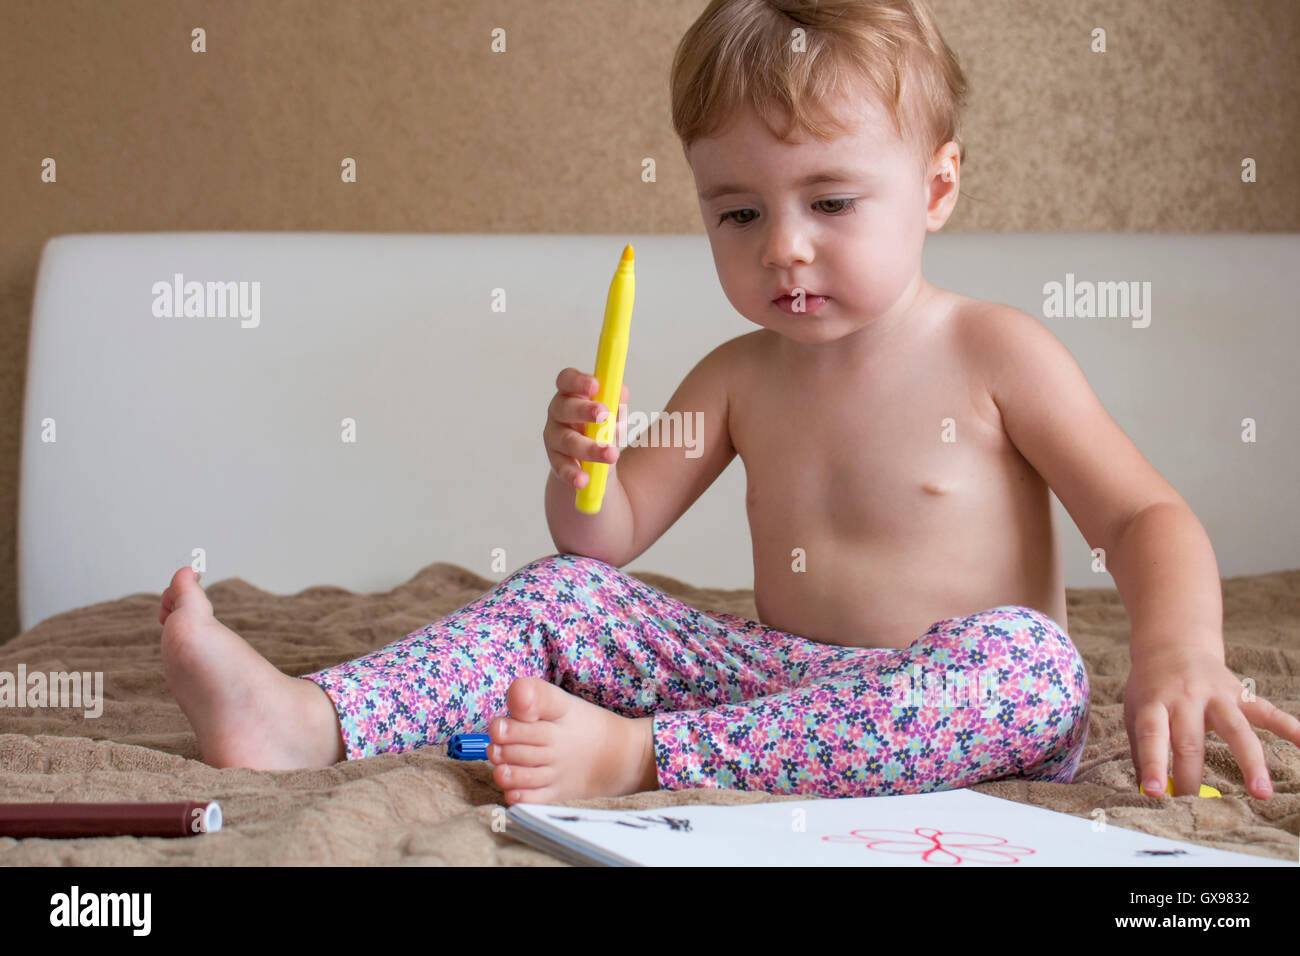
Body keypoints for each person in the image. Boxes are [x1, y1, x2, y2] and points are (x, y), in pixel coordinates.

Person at [160, 0, 1297, 806]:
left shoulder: (995, 351)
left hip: (954, 703)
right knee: (558, 594)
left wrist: (1178, 647)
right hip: (778, 679)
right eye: (737, 213)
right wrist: (582, 467)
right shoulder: (736, 372)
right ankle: (306, 722)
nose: (784, 249)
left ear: (936, 187)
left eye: (833, 201)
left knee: (1036, 665)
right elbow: (601, 542)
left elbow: (1146, 519)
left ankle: (644, 754)